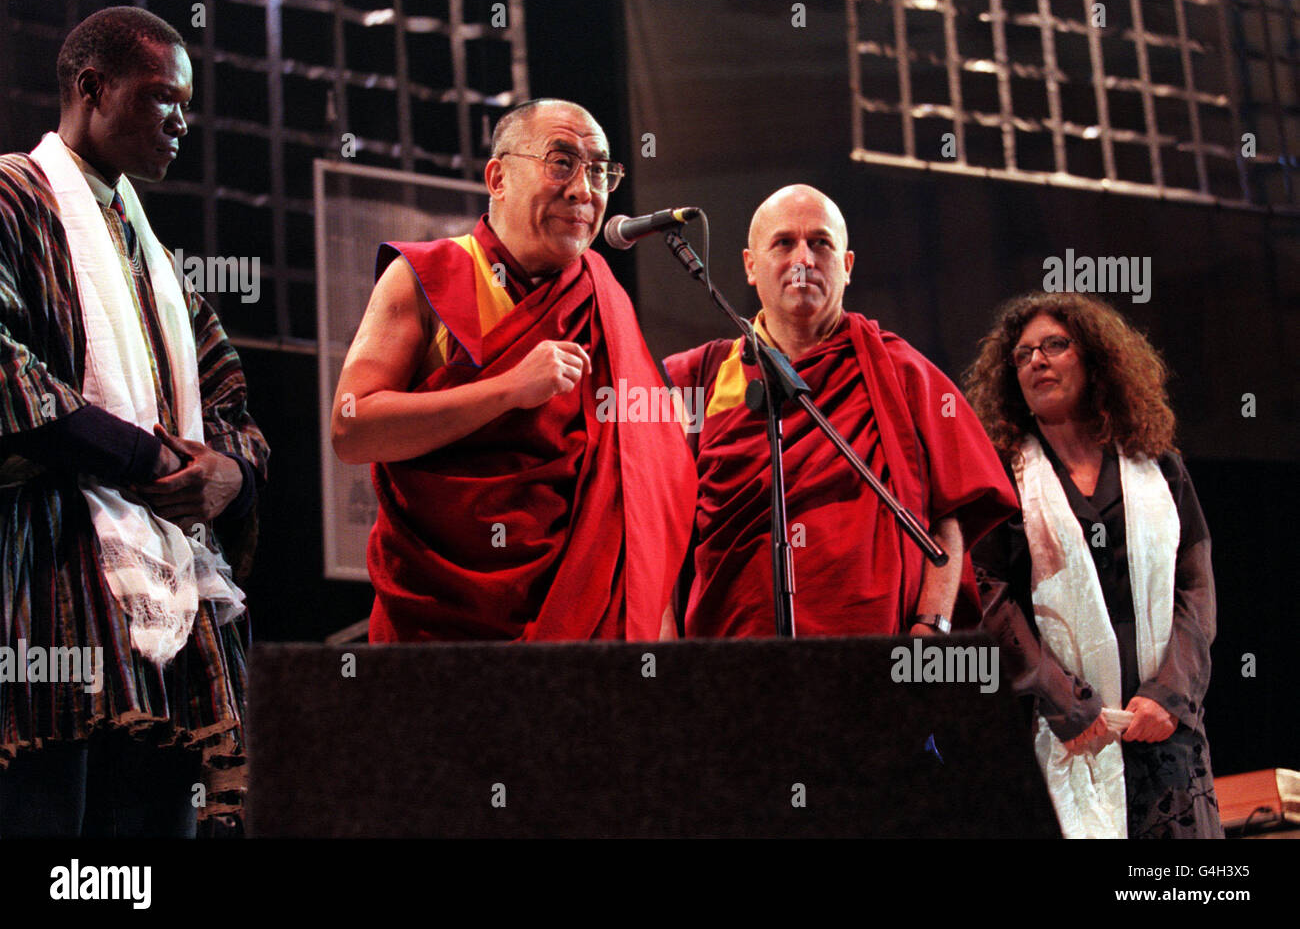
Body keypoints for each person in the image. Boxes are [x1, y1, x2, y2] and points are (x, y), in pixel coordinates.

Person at [0, 7, 268, 836]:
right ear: (91, 88)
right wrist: (151, 464)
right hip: (51, 587)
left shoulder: (152, 253)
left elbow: (229, 399)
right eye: (162, 99)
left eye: (187, 103)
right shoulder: (12, 196)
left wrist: (229, 473)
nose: (183, 122)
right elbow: (6, 371)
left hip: (165, 610)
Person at [332, 98, 696, 643]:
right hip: (438, 627)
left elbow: (645, 492)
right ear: (498, 177)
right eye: (561, 162)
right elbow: (351, 429)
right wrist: (506, 390)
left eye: (599, 170)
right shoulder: (430, 276)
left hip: (580, 632)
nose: (583, 190)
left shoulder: (604, 303)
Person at [662, 185, 1016, 637]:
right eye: (785, 243)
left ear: (846, 267)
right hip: (729, 656)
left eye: (821, 244)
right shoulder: (702, 378)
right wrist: (666, 645)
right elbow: (661, 527)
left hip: (874, 650)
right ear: (751, 265)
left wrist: (931, 626)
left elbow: (949, 519)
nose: (804, 259)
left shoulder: (897, 370)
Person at [966, 291, 1222, 839]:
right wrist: (1060, 700)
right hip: (1061, 731)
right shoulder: (1001, 477)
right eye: (1023, 354)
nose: (1036, 361)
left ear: (1095, 359)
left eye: (1055, 346)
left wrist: (1171, 694)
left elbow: (1195, 592)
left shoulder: (1161, 469)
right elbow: (986, 594)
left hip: (1162, 736)